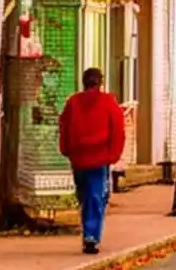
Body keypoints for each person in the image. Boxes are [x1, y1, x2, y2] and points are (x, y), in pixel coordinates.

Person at [59, 68, 126, 254]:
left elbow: (64, 126)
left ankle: (88, 231)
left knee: (85, 196)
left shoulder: (73, 103)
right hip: (99, 159)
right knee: (96, 197)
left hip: (79, 159)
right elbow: (118, 129)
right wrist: (113, 155)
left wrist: (67, 150)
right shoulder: (108, 102)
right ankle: (91, 235)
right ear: (100, 82)